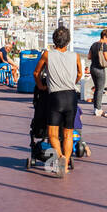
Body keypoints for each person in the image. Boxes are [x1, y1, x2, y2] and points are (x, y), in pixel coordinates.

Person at [34, 25, 82, 177]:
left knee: (52, 133)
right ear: (67, 42)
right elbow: (80, 73)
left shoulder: (47, 55)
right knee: (68, 134)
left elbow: (36, 72)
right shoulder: (75, 56)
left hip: (55, 97)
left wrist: (41, 86)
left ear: (54, 40)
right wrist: (72, 81)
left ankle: (60, 156)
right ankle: (65, 165)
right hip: (71, 96)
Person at [88, 28, 107, 116]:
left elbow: (89, 57)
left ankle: (96, 108)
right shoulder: (103, 45)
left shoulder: (93, 44)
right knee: (100, 89)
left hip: (92, 68)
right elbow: (106, 58)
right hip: (100, 69)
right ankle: (98, 109)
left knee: (97, 89)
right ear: (104, 37)